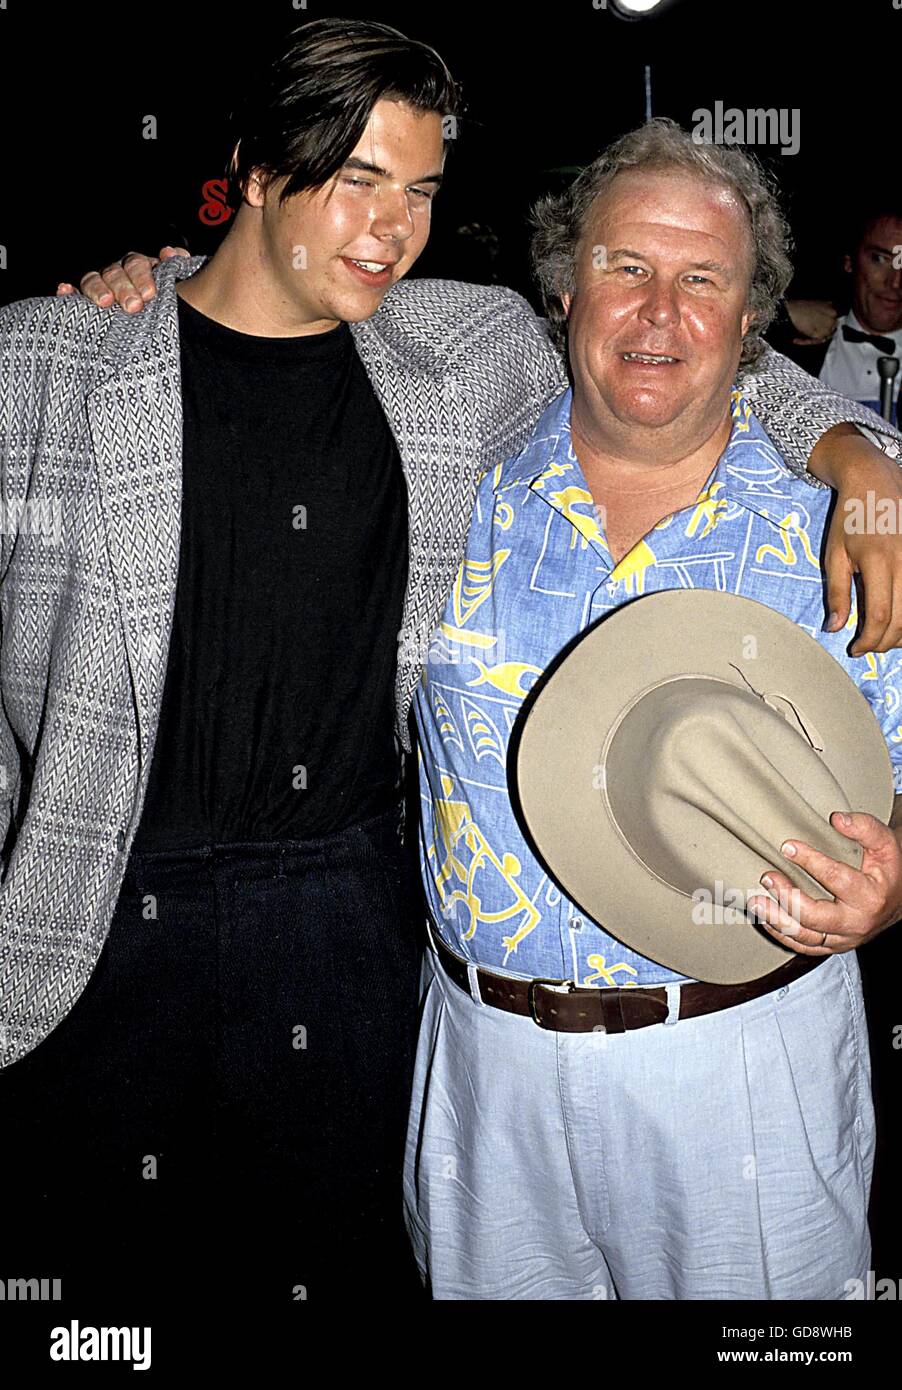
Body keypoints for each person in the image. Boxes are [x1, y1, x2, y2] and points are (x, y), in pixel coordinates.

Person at [14, 18, 902, 1308]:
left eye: (418, 191)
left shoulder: (830, 515)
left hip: (588, 1011)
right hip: (296, 998)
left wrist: (860, 453)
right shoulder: (80, 362)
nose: (388, 227)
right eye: (353, 179)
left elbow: (716, 370)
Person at [404, 119, 902, 1300]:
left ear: (749, 320)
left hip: (745, 1062)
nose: (658, 314)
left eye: (701, 281)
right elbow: (285, 296)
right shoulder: (440, 478)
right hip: (484, 1066)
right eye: (624, 268)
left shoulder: (851, 521)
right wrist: (145, 282)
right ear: (562, 288)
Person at [769, 208, 902, 421]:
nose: (895, 282)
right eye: (879, 259)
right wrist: (780, 315)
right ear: (850, 262)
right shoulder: (799, 347)